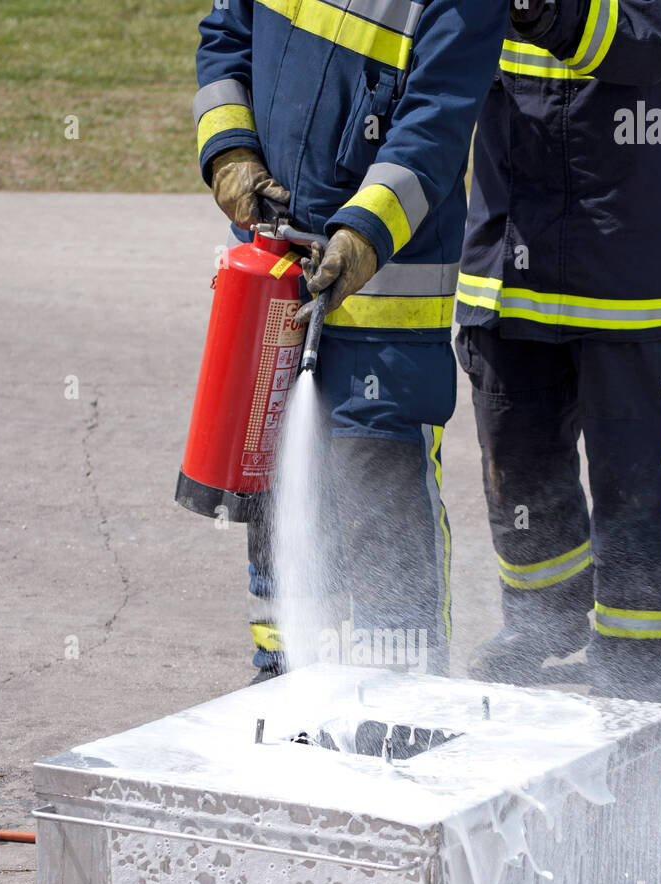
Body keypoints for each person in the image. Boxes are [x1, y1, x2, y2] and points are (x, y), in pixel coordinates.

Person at [194, 0, 509, 678]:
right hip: (272, 281)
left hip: (386, 301)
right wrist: (229, 152)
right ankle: (278, 681)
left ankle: (400, 709)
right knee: (272, 491)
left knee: (380, 507)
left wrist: (365, 232)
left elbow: (437, 122)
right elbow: (225, 35)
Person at [456, 0, 661, 697]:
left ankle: (635, 649)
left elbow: (654, 38)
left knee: (632, 468)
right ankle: (545, 617)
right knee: (513, 445)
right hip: (509, 246)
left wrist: (545, 11)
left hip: (623, 256)